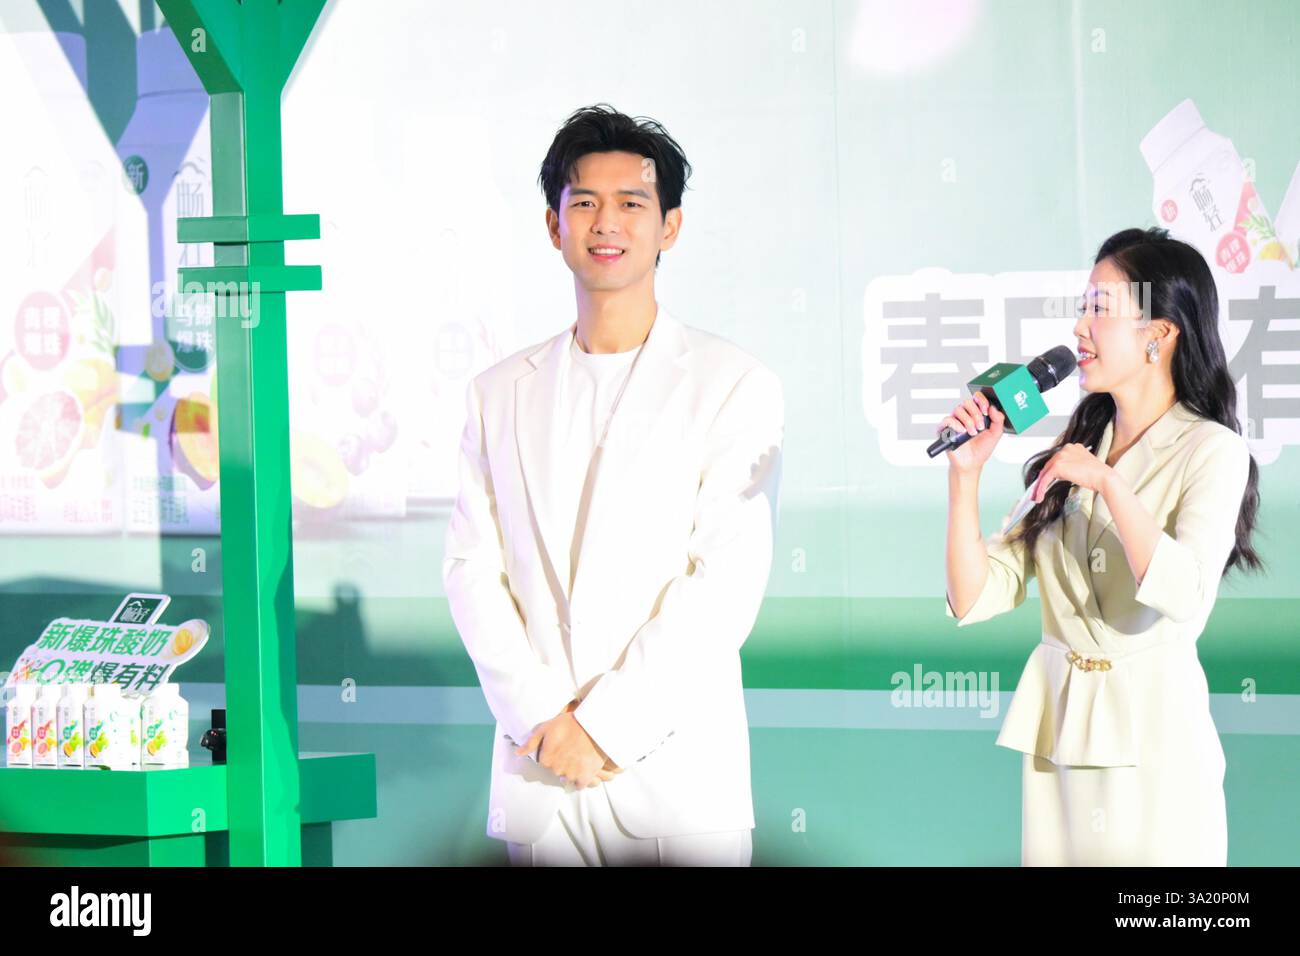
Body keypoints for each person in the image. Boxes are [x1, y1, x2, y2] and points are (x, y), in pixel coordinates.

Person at [442, 104, 784, 866]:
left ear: (670, 227)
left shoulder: (734, 384)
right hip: (540, 775)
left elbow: (725, 583)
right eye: (585, 203)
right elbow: (470, 569)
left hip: (675, 781)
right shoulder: (496, 394)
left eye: (632, 203)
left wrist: (603, 729)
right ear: (553, 225)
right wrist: (541, 718)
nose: (607, 223)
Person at [942, 226, 1264, 866]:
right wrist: (965, 476)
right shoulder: (1077, 448)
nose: (1079, 329)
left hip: (1156, 751)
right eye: (1081, 307)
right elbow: (975, 595)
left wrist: (1109, 484)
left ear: (1158, 334)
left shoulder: (1211, 450)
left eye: (1099, 308)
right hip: (1060, 746)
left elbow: (1186, 594)